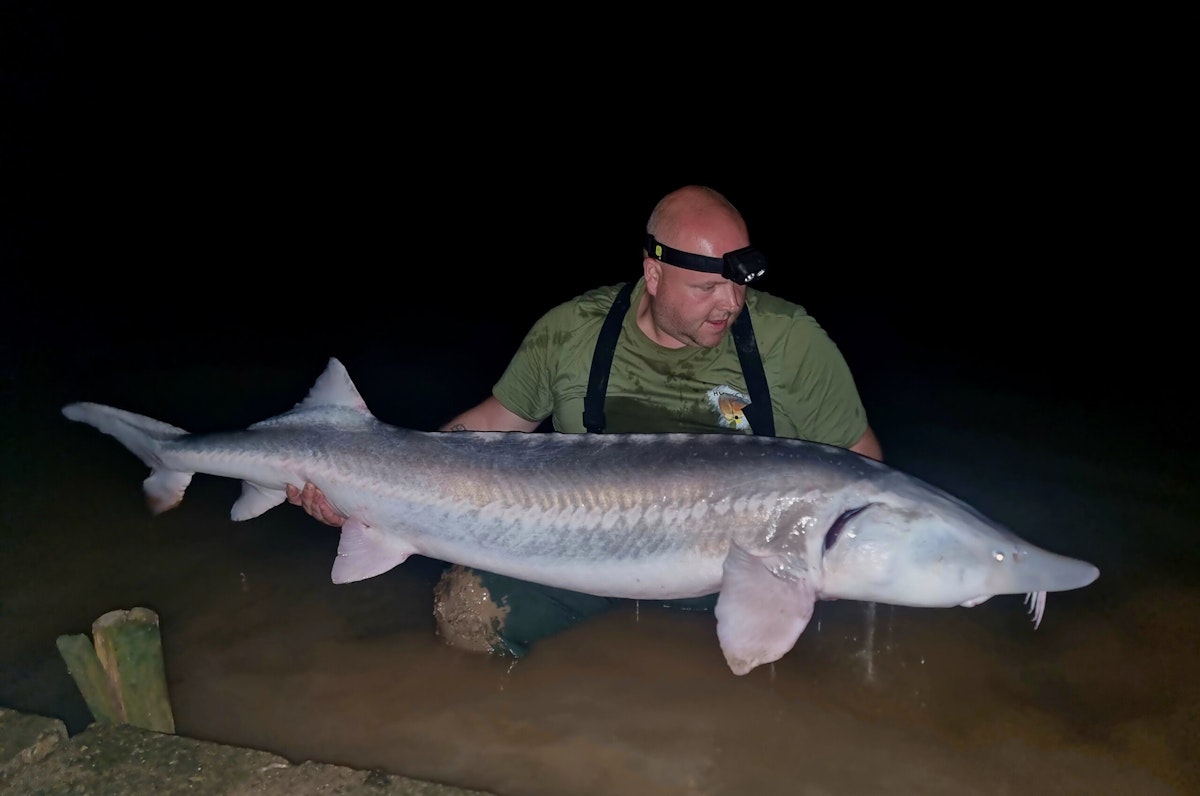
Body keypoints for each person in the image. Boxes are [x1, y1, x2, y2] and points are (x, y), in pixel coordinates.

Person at [286, 184, 882, 657]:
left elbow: (864, 472)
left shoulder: (791, 343)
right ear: (652, 273)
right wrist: (367, 488)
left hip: (733, 559)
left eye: (737, 287)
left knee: (811, 651)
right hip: (574, 548)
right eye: (704, 288)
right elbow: (495, 422)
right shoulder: (573, 331)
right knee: (468, 619)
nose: (728, 303)